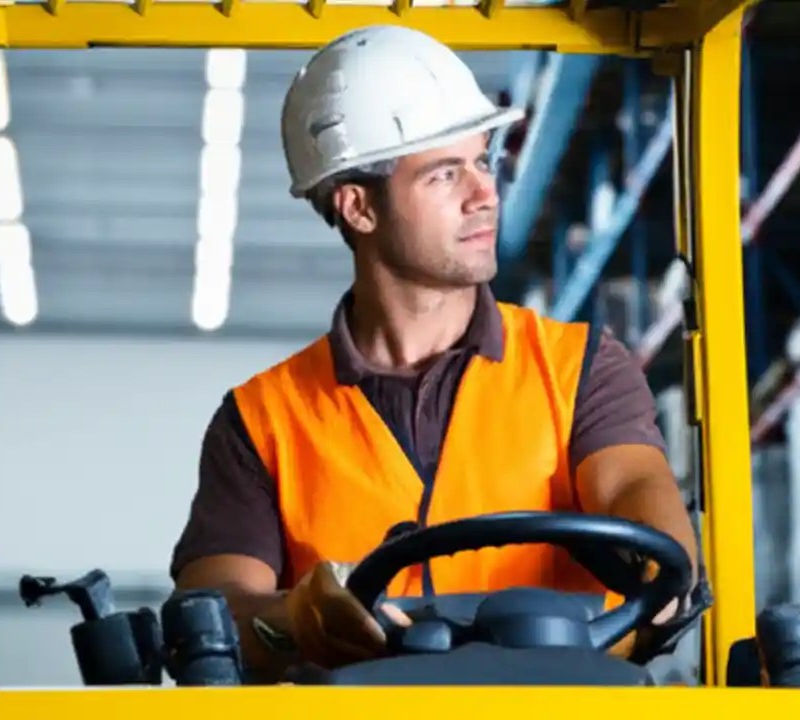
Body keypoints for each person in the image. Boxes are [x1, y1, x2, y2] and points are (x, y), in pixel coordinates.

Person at [169, 25, 698, 681]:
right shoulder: (260, 421)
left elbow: (634, 491)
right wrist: (296, 618)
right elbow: (213, 617)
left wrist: (666, 564)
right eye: (446, 174)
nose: (485, 194)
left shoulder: (578, 366)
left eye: (483, 162)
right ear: (358, 207)